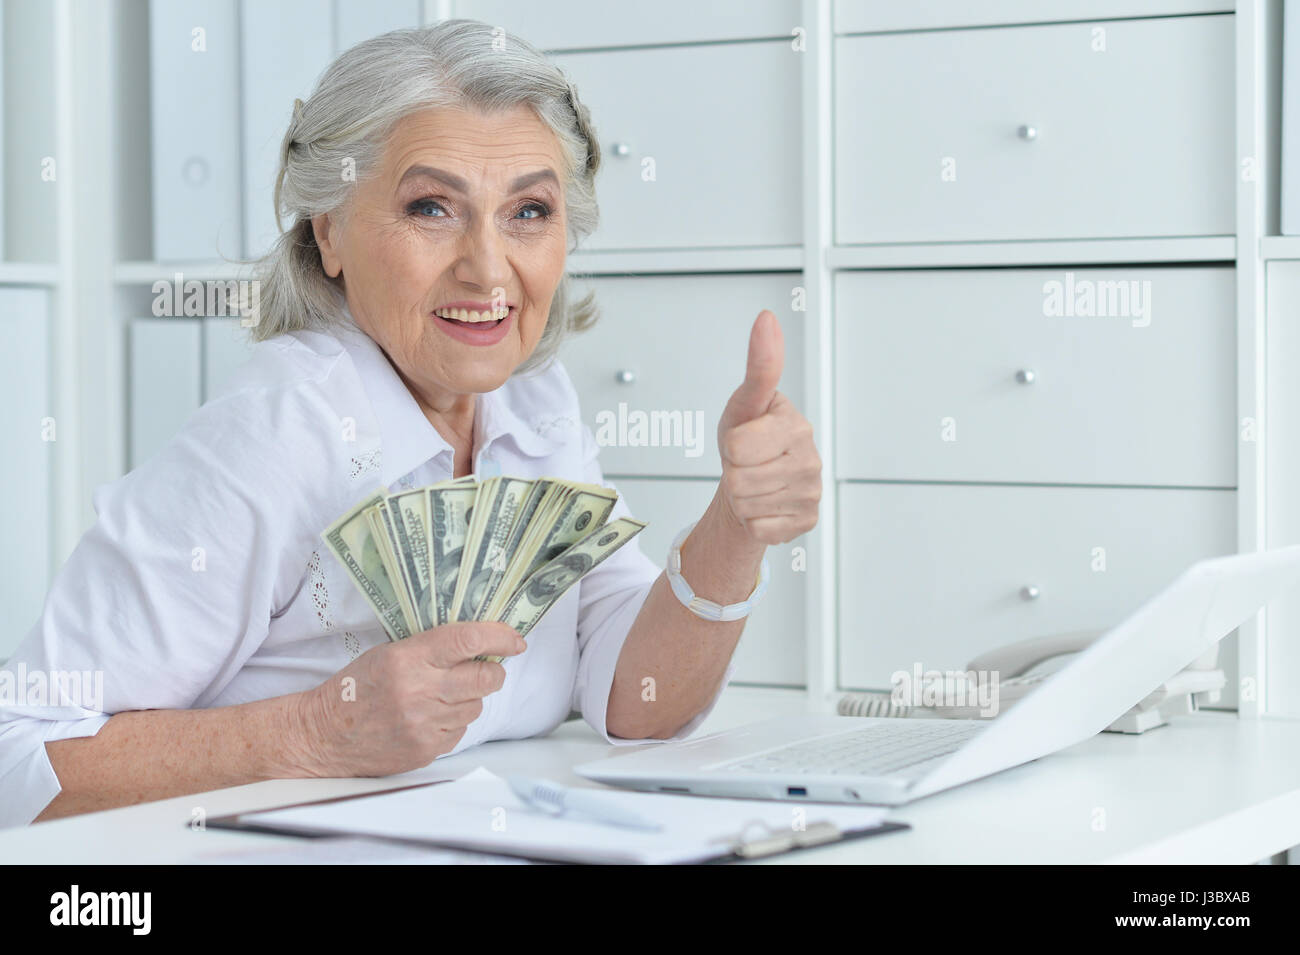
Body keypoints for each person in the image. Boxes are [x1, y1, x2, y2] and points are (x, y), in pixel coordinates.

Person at [0, 19, 821, 827]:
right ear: (329, 232)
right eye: (432, 207)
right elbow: (18, 755)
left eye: (528, 212)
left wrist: (736, 527)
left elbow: (636, 699)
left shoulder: (537, 404)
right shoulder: (276, 437)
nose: (489, 268)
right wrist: (316, 729)